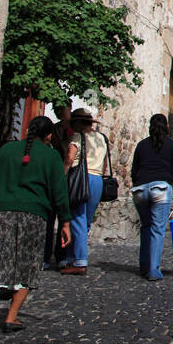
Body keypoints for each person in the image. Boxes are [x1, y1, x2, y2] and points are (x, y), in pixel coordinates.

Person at [0, 116, 72, 337]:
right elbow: (59, 191)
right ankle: (11, 317)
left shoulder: (6, 150)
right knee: (27, 266)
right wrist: (65, 221)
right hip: (33, 216)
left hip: (0, 211)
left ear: (27, 129)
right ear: (48, 136)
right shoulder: (52, 156)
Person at [130, 113, 173, 281]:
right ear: (167, 127)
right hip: (161, 189)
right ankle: (153, 270)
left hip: (140, 190)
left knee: (145, 226)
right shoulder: (172, 146)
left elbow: (134, 171)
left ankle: (144, 265)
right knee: (157, 229)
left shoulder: (141, 145)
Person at [62, 107, 111, 275]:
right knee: (86, 221)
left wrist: (63, 175)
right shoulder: (102, 138)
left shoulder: (78, 137)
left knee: (77, 218)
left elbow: (70, 158)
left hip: (81, 178)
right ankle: (72, 256)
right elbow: (105, 163)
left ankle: (80, 260)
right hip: (97, 180)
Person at [43, 104, 73, 269]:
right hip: (57, 172)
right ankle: (47, 256)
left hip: (68, 174)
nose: (59, 112)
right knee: (50, 216)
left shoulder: (72, 129)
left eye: (61, 109)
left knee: (64, 217)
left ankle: (61, 255)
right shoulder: (55, 128)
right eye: (56, 109)